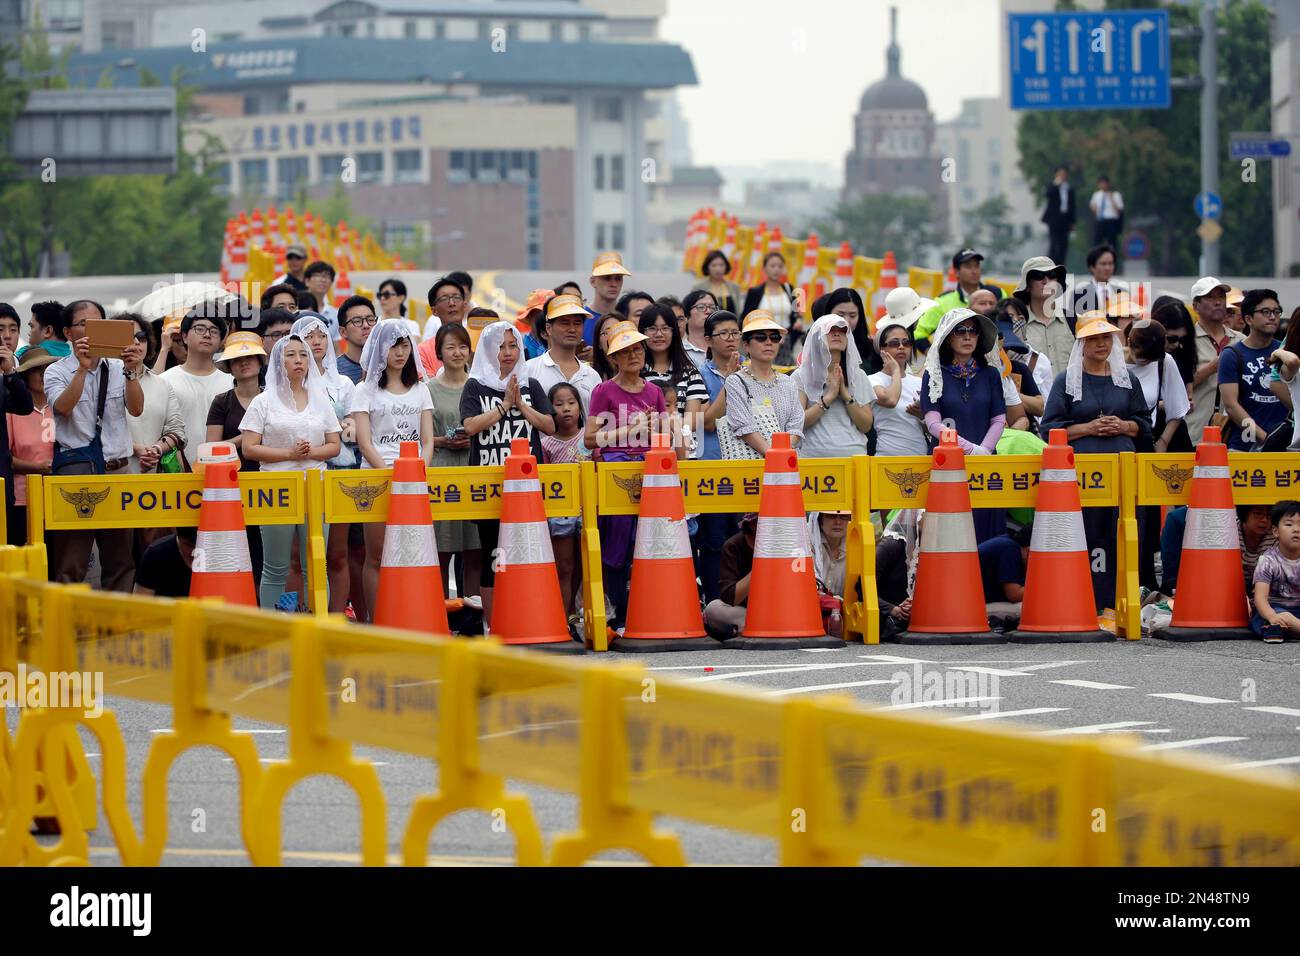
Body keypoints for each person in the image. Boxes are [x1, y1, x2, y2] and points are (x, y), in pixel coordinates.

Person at [1040, 316, 1151, 612]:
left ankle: (1123, 598)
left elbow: (1145, 425)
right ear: (1081, 344)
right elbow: (1049, 429)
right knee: (1087, 531)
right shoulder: (1067, 380)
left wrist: (1123, 425)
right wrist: (1088, 428)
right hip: (1083, 474)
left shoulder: (1127, 379)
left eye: (1106, 339)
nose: (1101, 344)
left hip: (1122, 471)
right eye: (1093, 339)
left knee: (1123, 531)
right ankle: (1083, 598)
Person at [45, 299, 144, 589]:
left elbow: (136, 409)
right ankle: (65, 625)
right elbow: (62, 408)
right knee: (71, 560)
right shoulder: (57, 371)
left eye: (98, 323)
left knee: (120, 558)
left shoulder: (117, 367)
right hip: (77, 473)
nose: (91, 331)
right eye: (83, 324)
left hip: (118, 469)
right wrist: (82, 369)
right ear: (67, 332)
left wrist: (130, 371)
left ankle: (118, 624)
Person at [462, 322, 555, 628]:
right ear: (488, 350)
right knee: (494, 556)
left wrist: (521, 406)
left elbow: (549, 426)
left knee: (528, 551)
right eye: (500, 346)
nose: (507, 352)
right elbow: (471, 426)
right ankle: (495, 624)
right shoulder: (475, 385)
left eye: (512, 346)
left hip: (527, 486)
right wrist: (504, 407)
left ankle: (529, 619)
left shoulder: (532, 385)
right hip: (488, 485)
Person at [240, 335, 341, 610]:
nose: (298, 360)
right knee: (276, 565)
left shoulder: (320, 399)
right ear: (277, 361)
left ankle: (315, 622)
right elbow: (249, 448)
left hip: (315, 485)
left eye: (303, 355)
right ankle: (277, 625)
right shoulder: (263, 401)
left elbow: (334, 446)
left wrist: (309, 453)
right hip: (276, 488)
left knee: (316, 564)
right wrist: (289, 454)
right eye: (291, 355)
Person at [586, 320, 668, 629]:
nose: (634, 355)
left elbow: (663, 436)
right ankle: (619, 616)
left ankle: (649, 611)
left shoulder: (655, 392)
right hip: (615, 475)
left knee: (649, 542)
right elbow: (590, 439)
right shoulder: (603, 391)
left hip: (650, 474)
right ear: (613, 358)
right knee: (616, 546)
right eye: (625, 350)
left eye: (638, 348)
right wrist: (630, 430)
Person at [351, 322, 435, 619]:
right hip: (377, 478)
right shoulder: (364, 390)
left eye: (404, 345)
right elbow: (364, 442)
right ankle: (378, 620)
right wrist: (389, 474)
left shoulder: (421, 389)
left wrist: (415, 473)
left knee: (413, 551)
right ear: (379, 349)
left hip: (413, 480)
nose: (400, 352)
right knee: (376, 554)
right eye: (392, 346)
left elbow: (427, 441)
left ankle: (410, 616)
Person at [920, 308, 1006, 542]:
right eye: (961, 331)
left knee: (986, 530)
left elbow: (999, 419)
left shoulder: (990, 375)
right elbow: (933, 424)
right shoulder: (934, 373)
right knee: (950, 532)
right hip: (947, 463)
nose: (968, 337)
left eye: (973, 331)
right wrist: (969, 449)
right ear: (948, 337)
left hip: (985, 462)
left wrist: (984, 450)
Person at [293, 313, 357, 612]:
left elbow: (356, 427)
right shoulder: (287, 384)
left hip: (339, 470)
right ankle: (300, 614)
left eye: (321, 335)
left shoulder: (343, 383)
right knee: (300, 554)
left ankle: (336, 616)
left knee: (337, 553)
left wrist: (348, 427)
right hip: (300, 470)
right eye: (308, 336)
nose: (316, 342)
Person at [423, 322, 482, 603]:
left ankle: (471, 614)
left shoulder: (479, 386)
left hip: (473, 469)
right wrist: (444, 441)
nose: (457, 353)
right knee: (441, 548)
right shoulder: (429, 389)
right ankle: (440, 611)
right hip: (442, 469)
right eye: (450, 347)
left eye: (462, 346)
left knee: (475, 549)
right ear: (439, 352)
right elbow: (420, 436)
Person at [205, 330, 266, 587]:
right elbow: (210, 450)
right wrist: (248, 437)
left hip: (270, 485)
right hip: (232, 488)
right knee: (239, 552)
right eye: (237, 359)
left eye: (251, 357)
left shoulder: (274, 398)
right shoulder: (222, 402)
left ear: (261, 362)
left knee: (270, 555)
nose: (244, 362)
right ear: (229, 367)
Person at [694, 310, 743, 605]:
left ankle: (740, 604)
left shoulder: (751, 371)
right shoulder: (699, 374)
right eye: (723, 333)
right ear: (708, 340)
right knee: (713, 542)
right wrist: (733, 383)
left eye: (735, 333)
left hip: (744, 466)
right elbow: (707, 421)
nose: (731, 339)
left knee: (741, 538)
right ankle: (714, 605)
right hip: (711, 466)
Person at [712, 311, 804, 457]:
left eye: (774, 337)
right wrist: (775, 456)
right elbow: (744, 427)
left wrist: (782, 454)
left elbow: (795, 427)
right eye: (761, 337)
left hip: (787, 465)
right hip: (752, 471)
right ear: (746, 345)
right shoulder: (735, 382)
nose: (769, 342)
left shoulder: (789, 382)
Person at [793, 315, 874, 458]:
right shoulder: (801, 375)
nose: (837, 333)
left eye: (842, 330)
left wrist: (845, 395)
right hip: (814, 460)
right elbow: (797, 423)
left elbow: (866, 425)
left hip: (855, 458)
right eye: (830, 329)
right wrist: (828, 398)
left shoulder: (859, 375)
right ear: (817, 337)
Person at [162, 309, 235, 468]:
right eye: (200, 329)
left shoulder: (231, 383)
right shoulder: (166, 380)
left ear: (221, 341)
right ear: (185, 336)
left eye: (214, 331)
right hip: (177, 470)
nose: (207, 335)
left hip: (223, 467)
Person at [542, 382, 589, 621]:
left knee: (582, 564)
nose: (566, 409)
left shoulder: (588, 437)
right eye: (559, 404)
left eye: (571, 403)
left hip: (587, 509)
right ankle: (564, 614)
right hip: (560, 512)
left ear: (580, 408)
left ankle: (573, 610)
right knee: (564, 565)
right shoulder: (546, 443)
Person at [1160, 503, 1277, 598]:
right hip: (1226, 589)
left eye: (1269, 516)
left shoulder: (1277, 536)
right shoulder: (1226, 531)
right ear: (1244, 514)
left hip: (1264, 590)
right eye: (1258, 514)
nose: (1264, 520)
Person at [1218, 288, 1285, 451]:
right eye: (1265, 312)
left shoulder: (1286, 351)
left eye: (1276, 311)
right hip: (1243, 446)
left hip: (1285, 446)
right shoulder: (1232, 355)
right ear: (1248, 319)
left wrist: (1279, 440)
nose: (1272, 317)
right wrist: (1265, 438)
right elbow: (1231, 405)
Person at [119, 314, 185, 478]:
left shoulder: (162, 383)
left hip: (156, 479)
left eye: (141, 337)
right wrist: (135, 448)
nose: (136, 342)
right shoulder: (101, 381)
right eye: (128, 337)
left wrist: (156, 450)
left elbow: (177, 430)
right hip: (114, 476)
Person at [639, 303, 707, 454]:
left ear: (674, 332)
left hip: (685, 453)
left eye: (665, 328)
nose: (658, 334)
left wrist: (661, 424)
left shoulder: (690, 372)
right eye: (652, 328)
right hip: (643, 453)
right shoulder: (635, 372)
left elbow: (693, 421)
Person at [1186, 276, 1246, 444]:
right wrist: (1212, 368)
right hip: (1196, 433)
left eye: (1221, 297)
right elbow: (1179, 387)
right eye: (1210, 298)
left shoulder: (1241, 340)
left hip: (1236, 436)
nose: (1218, 302)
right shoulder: (1186, 341)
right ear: (1196, 306)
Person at [7, 346, 54, 545]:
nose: (44, 375)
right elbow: (5, 458)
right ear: (26, 375)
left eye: (48, 369)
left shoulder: (60, 406)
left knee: (55, 561)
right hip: (22, 499)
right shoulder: (12, 411)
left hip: (57, 497)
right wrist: (37, 468)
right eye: (38, 369)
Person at [524, 293, 602, 411]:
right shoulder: (529, 369)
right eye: (564, 323)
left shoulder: (592, 376)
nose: (572, 329)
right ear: (549, 328)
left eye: (577, 323)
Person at [1126, 320, 1191, 454]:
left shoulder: (1164, 361)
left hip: (1146, 440)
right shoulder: (1110, 362)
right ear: (1128, 342)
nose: (1145, 361)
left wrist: (1163, 442)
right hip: (1115, 441)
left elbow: (1178, 407)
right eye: (1141, 356)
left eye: (1151, 359)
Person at [916, 248, 1005, 346]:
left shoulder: (998, 294)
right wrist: (935, 357)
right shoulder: (942, 302)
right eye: (968, 266)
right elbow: (919, 334)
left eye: (977, 266)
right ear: (956, 271)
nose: (974, 271)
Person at [870, 318, 928, 457]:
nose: (901, 347)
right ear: (882, 349)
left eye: (906, 343)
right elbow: (891, 401)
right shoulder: (872, 380)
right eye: (894, 343)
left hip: (921, 456)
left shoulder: (919, 382)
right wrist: (896, 371)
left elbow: (932, 427)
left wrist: (923, 417)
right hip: (887, 456)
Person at [1012, 256, 1073, 376]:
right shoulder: (1015, 326)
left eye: (1052, 275)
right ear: (1027, 285)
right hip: (1032, 395)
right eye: (1038, 276)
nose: (1046, 281)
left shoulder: (1075, 320)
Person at [1250, 500, 1300, 644]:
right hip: (1273, 609)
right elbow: (1260, 598)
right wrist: (1272, 616)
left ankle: (1287, 629)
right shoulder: (1267, 560)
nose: (1296, 529)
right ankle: (1280, 627)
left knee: (1285, 622)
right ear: (1275, 531)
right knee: (1277, 618)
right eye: (1289, 524)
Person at [703, 513, 758, 640]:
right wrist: (759, 566)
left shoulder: (787, 546)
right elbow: (730, 598)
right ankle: (748, 627)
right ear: (751, 525)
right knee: (713, 608)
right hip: (744, 611)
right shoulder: (733, 545)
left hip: (778, 610)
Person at [741, 251, 801, 365]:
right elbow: (745, 318)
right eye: (772, 266)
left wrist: (798, 320)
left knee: (785, 372)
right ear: (764, 269)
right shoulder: (755, 292)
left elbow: (797, 311)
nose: (776, 270)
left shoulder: (789, 288)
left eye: (780, 266)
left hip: (786, 341)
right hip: (763, 339)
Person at [997, 296, 1055, 399]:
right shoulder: (990, 357)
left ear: (1023, 321)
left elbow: (1046, 403)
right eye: (1003, 319)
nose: (1008, 323)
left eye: (1010, 317)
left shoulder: (1038, 360)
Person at [876, 509, 920, 641]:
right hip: (886, 612)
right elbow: (862, 589)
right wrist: (893, 609)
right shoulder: (890, 546)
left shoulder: (935, 547)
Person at [133, 525, 198, 598]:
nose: (195, 552)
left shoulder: (212, 553)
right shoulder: (156, 555)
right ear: (178, 537)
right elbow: (140, 602)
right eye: (189, 545)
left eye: (200, 545)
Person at [583, 253, 631, 345]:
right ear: (593, 281)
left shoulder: (627, 318)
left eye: (618, 278)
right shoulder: (580, 319)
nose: (613, 284)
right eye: (607, 278)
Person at [978, 524, 1032, 604]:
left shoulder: (1009, 543)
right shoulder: (1010, 550)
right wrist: (1048, 585)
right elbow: (1014, 595)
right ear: (1029, 551)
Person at [809, 510, 850, 602]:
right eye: (831, 515)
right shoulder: (806, 546)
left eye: (844, 516)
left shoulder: (857, 547)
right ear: (819, 519)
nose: (838, 522)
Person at [1072, 244, 1122, 317]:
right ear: (1092, 267)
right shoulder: (1080, 294)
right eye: (1103, 264)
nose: (1107, 268)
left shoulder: (1122, 293)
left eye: (1110, 263)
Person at [336, 295, 376, 384]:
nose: (366, 325)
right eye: (357, 321)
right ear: (343, 332)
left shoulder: (388, 364)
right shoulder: (334, 370)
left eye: (370, 319)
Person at [1041, 164, 1076, 265]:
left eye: (1064, 174)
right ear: (1056, 174)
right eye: (1060, 173)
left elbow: (1072, 206)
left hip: (1065, 219)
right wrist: (1056, 184)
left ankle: (1061, 265)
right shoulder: (1052, 186)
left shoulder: (1069, 188)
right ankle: (1051, 265)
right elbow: (1048, 194)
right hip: (1054, 219)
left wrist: (1072, 222)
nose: (1062, 176)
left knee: (1064, 243)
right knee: (1054, 242)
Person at [690, 250, 743, 315]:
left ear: (726, 266)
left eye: (721, 265)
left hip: (731, 324)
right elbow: (692, 310)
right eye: (714, 265)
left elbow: (738, 311)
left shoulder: (734, 287)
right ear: (707, 267)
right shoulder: (698, 287)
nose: (718, 269)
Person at [422, 276, 468, 343]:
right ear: (434, 311)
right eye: (444, 299)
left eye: (456, 297)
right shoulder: (424, 350)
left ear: (464, 306)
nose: (452, 303)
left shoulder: (479, 342)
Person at [680, 289, 717, 369]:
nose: (708, 311)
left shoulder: (723, 345)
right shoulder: (680, 350)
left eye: (713, 308)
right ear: (686, 314)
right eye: (701, 307)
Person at [517, 288, 555, 361]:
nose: (546, 319)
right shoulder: (517, 346)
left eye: (550, 314)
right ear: (530, 316)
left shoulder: (565, 344)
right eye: (541, 314)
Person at [302, 260, 339, 334]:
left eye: (327, 276)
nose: (323, 280)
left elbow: (334, 343)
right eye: (318, 275)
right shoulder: (296, 306)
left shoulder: (335, 314)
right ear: (307, 281)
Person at [1089, 176, 1124, 248]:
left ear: (1108, 184)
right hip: (1100, 221)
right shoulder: (1096, 195)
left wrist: (1112, 199)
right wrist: (1094, 209)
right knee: (1097, 242)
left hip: (1111, 221)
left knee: (1112, 242)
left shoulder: (1115, 195)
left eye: (1104, 183)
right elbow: (1092, 207)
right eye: (1101, 183)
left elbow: (1120, 210)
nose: (1103, 185)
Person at [589, 312, 623, 381]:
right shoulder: (589, 375)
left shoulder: (640, 371)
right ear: (598, 343)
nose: (613, 335)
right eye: (607, 332)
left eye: (618, 330)